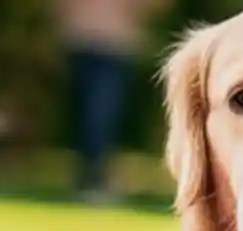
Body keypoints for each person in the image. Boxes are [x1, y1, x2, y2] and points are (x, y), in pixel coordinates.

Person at [55, 0, 168, 203]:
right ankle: (93, 179)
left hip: (93, 40)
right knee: (100, 113)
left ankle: (91, 176)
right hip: (108, 43)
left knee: (96, 113)